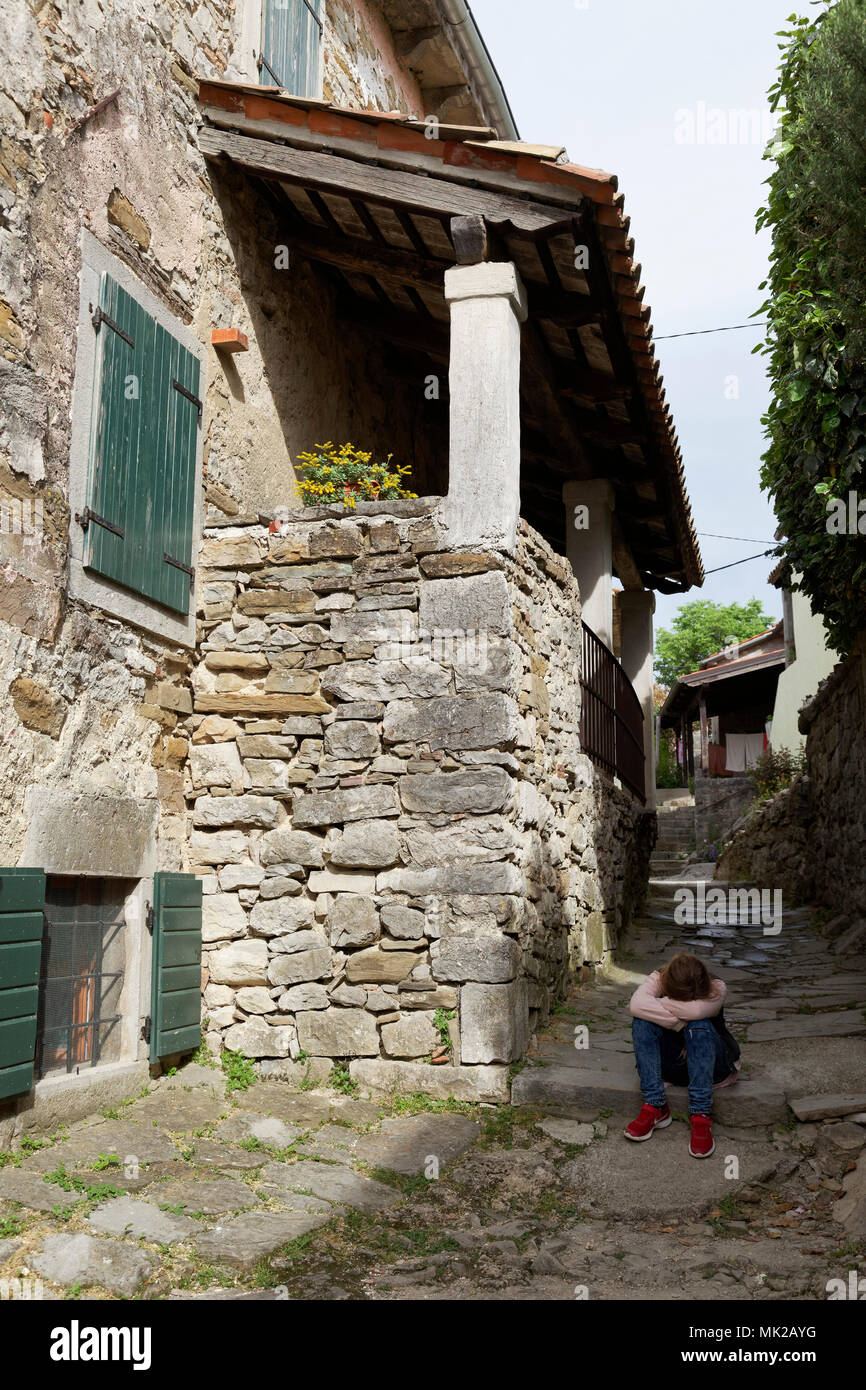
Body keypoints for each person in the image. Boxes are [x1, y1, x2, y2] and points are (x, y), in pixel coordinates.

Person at [625, 952, 740, 1158]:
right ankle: (656, 1106)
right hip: (674, 1064)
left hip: (712, 1067)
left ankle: (700, 1114)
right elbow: (635, 1005)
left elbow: (696, 1013)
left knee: (699, 1024)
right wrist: (679, 1022)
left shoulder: (717, 986)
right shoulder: (659, 977)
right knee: (641, 1022)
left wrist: (661, 1005)